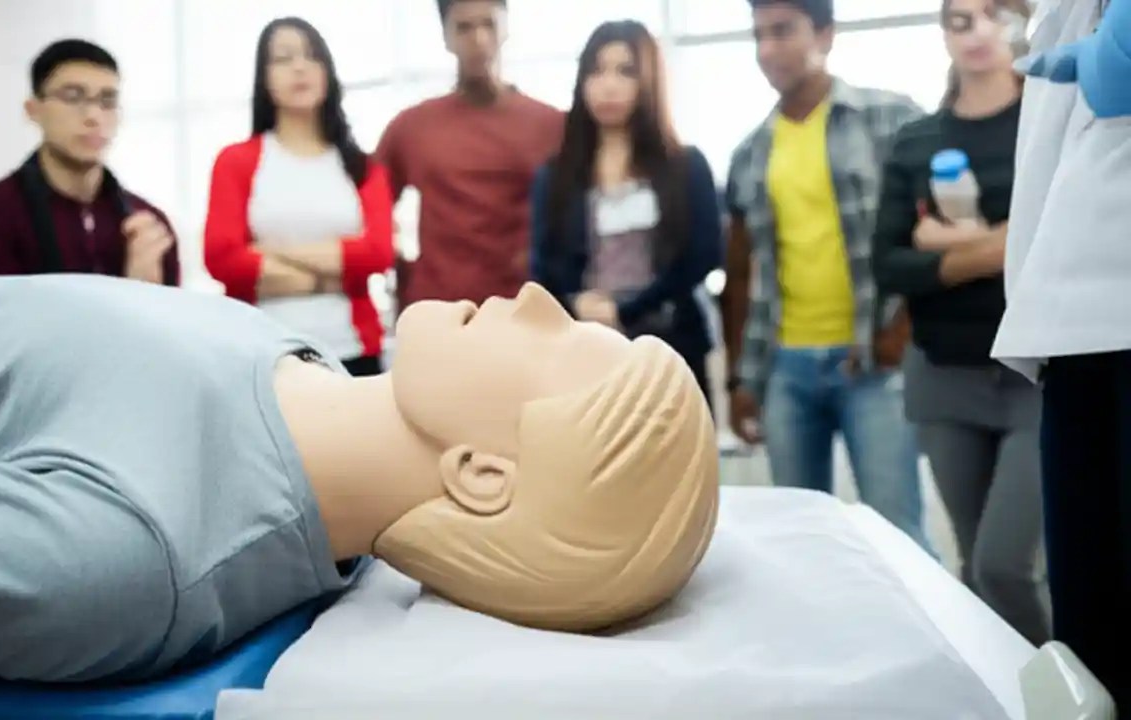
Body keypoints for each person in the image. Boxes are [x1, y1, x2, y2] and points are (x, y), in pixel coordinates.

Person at [0, 275, 716, 684]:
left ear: (484, 476)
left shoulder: (131, 555)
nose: (533, 296)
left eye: (559, 343)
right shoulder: (292, 357)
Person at [721, 0, 930, 548]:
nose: (768, 49)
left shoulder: (890, 118)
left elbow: (934, 226)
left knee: (899, 537)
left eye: (783, 32)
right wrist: (742, 380)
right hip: (787, 369)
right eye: (759, 35)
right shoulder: (750, 153)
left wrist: (904, 329)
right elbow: (739, 275)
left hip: (874, 362)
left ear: (825, 34)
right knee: (801, 540)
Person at [872, 0, 1047, 644]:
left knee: (1006, 567)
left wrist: (947, 244)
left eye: (993, 14)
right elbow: (889, 264)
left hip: (1037, 375)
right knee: (974, 569)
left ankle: (1060, 690)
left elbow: (1054, 241)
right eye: (960, 19)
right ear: (943, 33)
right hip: (945, 373)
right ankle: (997, 688)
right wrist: (1000, 243)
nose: (977, 32)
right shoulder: (916, 141)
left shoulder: (1046, 120)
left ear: (1020, 23)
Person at [993, 0, 1130, 704]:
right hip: (1069, 327)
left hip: (1106, 310)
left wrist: (1107, 52)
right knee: (1087, 641)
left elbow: (1114, 80)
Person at [529, 20, 722, 410]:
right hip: (585, 349)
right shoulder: (557, 174)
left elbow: (703, 255)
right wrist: (577, 303)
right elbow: (543, 263)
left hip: (671, 345)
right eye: (597, 71)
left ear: (649, 79)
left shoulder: (686, 166)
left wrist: (627, 310)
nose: (609, 86)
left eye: (625, 71)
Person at [204, 18, 394, 377]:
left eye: (311, 56)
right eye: (283, 58)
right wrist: (324, 279)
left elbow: (378, 252)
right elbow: (222, 257)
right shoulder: (236, 161)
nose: (299, 67)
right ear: (263, 77)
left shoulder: (362, 167)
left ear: (328, 72)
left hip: (353, 351)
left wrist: (269, 252)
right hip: (259, 354)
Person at [374, 0, 565, 309]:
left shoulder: (551, 125)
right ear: (446, 36)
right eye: (464, 27)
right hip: (439, 309)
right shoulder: (412, 128)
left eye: (489, 24)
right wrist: (399, 266)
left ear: (506, 28)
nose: (478, 39)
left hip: (522, 309)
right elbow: (368, 207)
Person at [0, 39, 179, 286]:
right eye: (73, 97)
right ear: (33, 109)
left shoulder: (150, 230)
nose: (94, 116)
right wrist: (135, 291)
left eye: (108, 101)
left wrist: (150, 288)